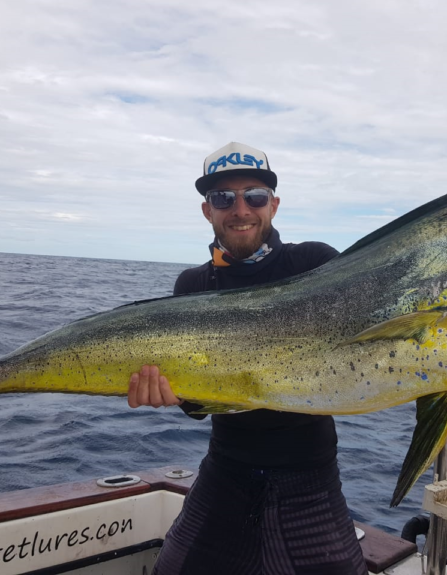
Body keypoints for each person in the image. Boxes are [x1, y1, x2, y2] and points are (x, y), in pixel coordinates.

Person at [128, 142, 368, 575]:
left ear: (273, 206)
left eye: (254, 196)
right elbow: (200, 408)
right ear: (208, 211)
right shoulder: (193, 285)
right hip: (225, 472)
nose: (240, 209)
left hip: (309, 480)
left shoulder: (315, 262)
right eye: (224, 198)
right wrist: (173, 395)